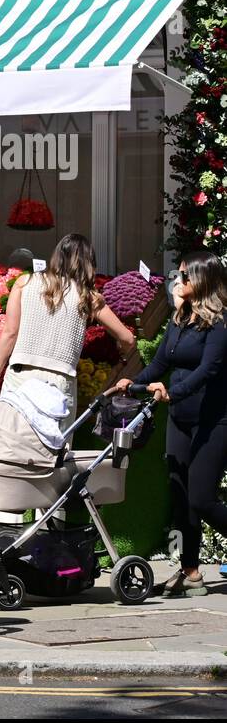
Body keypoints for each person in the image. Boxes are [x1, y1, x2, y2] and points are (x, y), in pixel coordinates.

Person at [118, 251, 227, 595]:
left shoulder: (221, 323)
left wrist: (172, 393)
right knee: (180, 497)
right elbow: (161, 362)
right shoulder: (180, 318)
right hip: (180, 419)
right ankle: (191, 572)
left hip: (213, 422)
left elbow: (207, 370)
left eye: (184, 276)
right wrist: (131, 381)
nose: (177, 281)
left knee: (202, 499)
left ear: (203, 280)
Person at [0, 233, 135, 427]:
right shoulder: (88, 297)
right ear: (88, 263)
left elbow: (10, 332)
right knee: (54, 448)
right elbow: (128, 338)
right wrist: (122, 353)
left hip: (20, 376)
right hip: (60, 381)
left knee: (15, 443)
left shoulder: (24, 283)